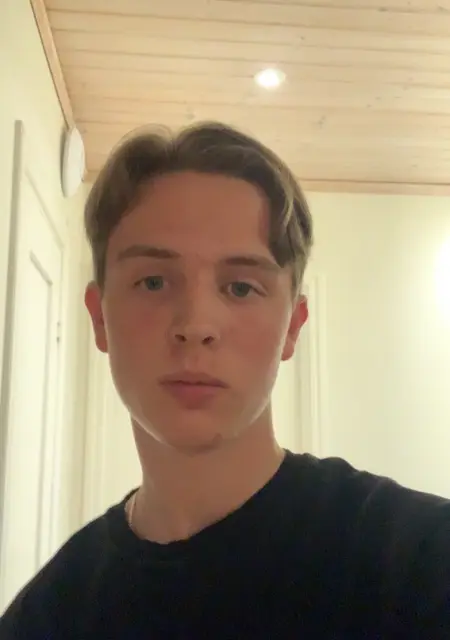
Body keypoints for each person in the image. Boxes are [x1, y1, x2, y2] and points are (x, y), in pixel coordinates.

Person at [0, 121, 449, 639]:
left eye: (240, 287)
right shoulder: (50, 613)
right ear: (100, 318)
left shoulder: (422, 563)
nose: (195, 325)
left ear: (292, 327)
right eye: (153, 281)